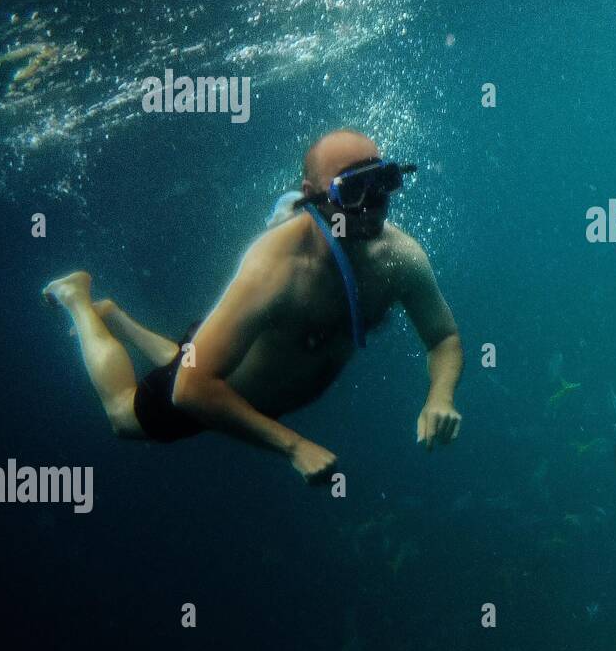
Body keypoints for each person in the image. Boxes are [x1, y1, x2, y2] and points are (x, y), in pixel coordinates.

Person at [42, 129, 463, 483]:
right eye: (353, 189)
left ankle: (116, 317)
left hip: (222, 358)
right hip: (217, 392)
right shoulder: (276, 268)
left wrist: (439, 396)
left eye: (384, 181)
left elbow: (443, 336)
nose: (373, 203)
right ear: (313, 195)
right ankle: (76, 297)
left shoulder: (402, 257)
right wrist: (293, 445)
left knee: (192, 357)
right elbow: (190, 389)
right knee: (123, 416)